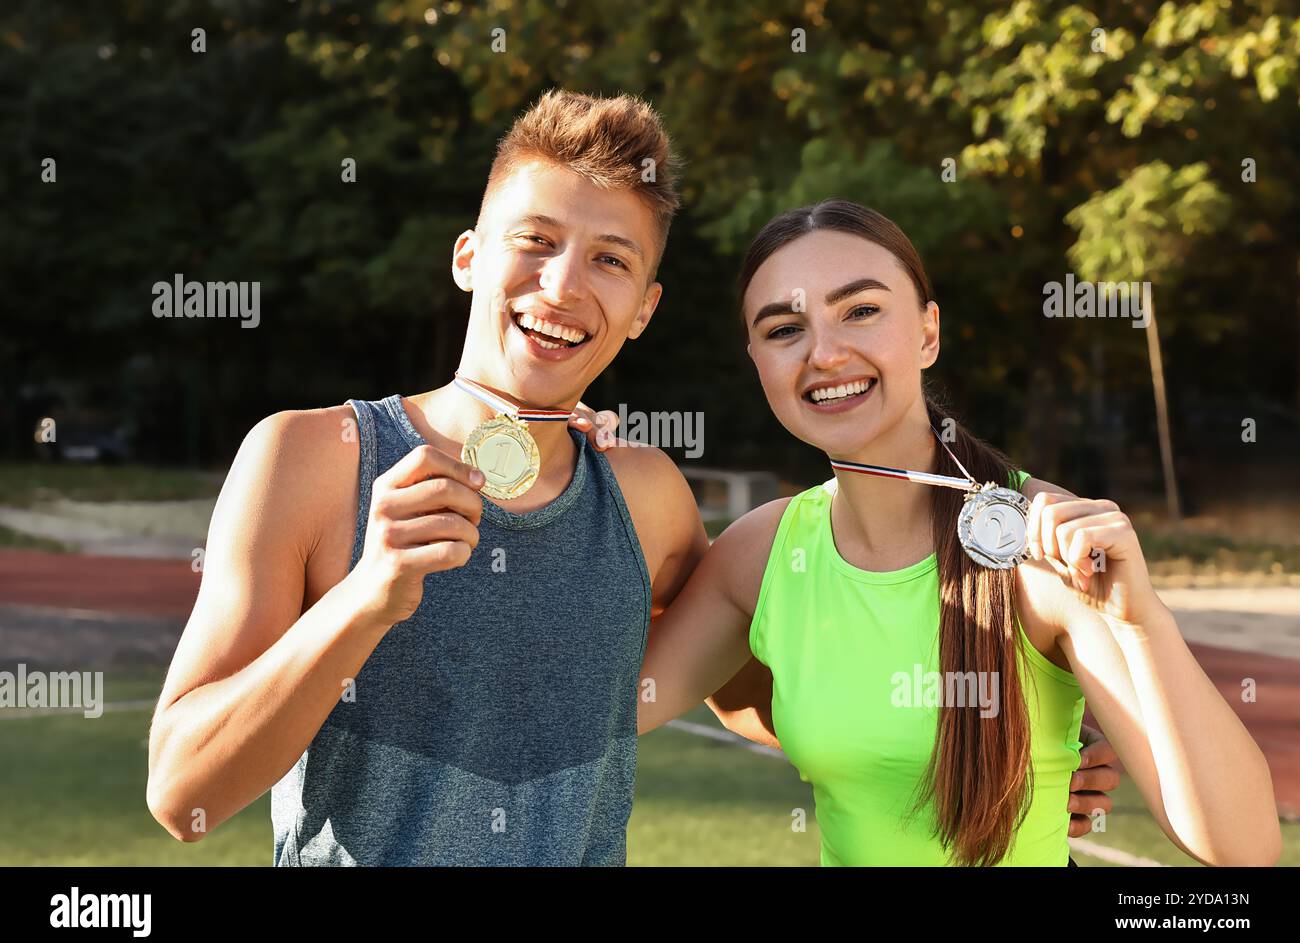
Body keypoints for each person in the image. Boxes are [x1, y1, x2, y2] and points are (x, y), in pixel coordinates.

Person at [146, 89, 1116, 866]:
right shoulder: (309, 459)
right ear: (468, 257)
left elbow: (751, 691)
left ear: (643, 309)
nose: (564, 285)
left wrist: (1002, 746)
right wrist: (364, 599)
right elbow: (182, 796)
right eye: (534, 241)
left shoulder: (646, 498)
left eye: (609, 260)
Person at [636, 200, 1281, 866]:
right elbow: (607, 709)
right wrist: (581, 463)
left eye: (861, 310)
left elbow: (1245, 849)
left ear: (926, 331)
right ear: (757, 360)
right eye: (784, 328)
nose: (824, 353)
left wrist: (1143, 622)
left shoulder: (1042, 544)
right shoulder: (761, 553)